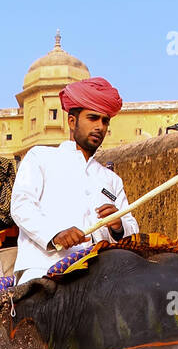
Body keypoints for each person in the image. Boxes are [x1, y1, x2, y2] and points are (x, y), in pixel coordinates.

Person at [11, 76, 139, 284]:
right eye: (93, 118)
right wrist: (55, 234)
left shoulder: (111, 179)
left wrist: (119, 226)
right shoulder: (40, 157)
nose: (100, 127)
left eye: (105, 121)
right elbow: (21, 206)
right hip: (45, 269)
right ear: (72, 121)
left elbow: (132, 228)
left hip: (101, 275)